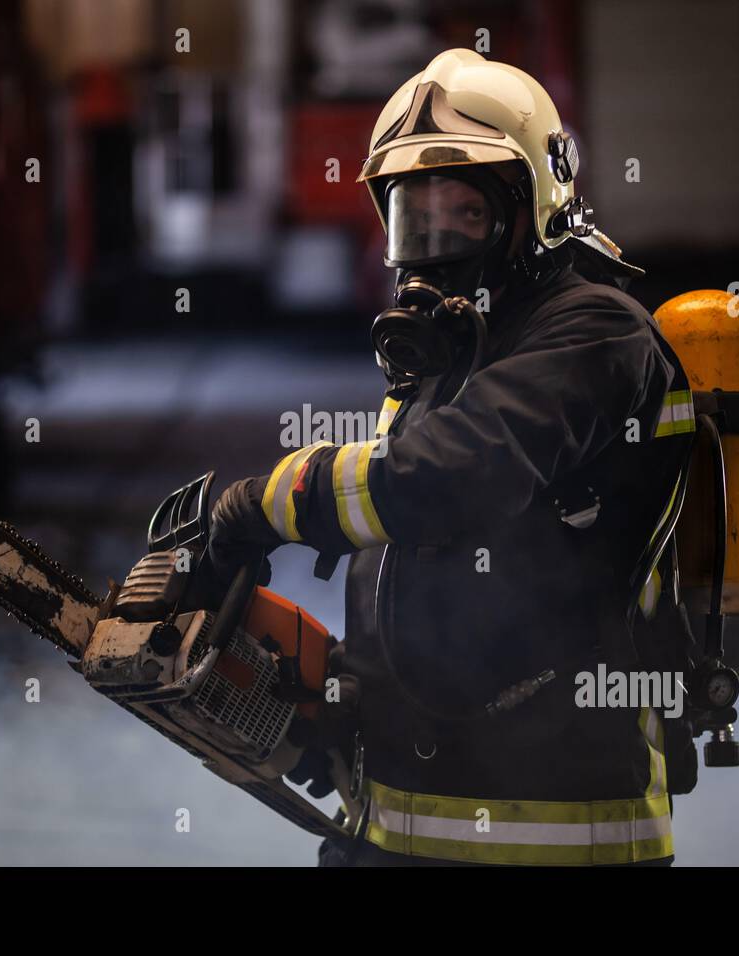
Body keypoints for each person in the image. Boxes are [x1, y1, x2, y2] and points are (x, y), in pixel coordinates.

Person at [207, 48, 696, 866]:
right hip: (390, 831)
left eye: (464, 214)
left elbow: (446, 482)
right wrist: (342, 699)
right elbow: (426, 569)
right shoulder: (444, 359)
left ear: (533, 205)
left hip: (558, 841)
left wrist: (265, 502)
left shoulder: (597, 332)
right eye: (414, 218)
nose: (435, 243)